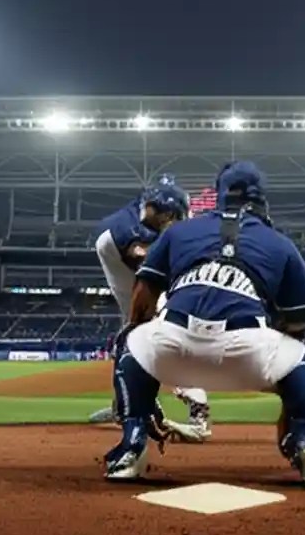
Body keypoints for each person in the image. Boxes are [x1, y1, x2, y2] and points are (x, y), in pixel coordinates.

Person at [102, 161, 305, 488]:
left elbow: (143, 297)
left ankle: (131, 445)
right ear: (262, 199)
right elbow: (298, 323)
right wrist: (289, 413)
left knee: (132, 340)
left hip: (172, 349)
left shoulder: (179, 231)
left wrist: (141, 381)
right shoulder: (279, 243)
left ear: (218, 196)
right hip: (246, 351)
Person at [86, 176, 212, 443]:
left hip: (125, 269)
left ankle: (197, 412)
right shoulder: (128, 226)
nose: (176, 222)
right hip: (123, 266)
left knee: (165, 334)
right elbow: (143, 255)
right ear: (164, 211)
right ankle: (124, 404)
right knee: (136, 337)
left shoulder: (145, 218)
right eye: (174, 216)